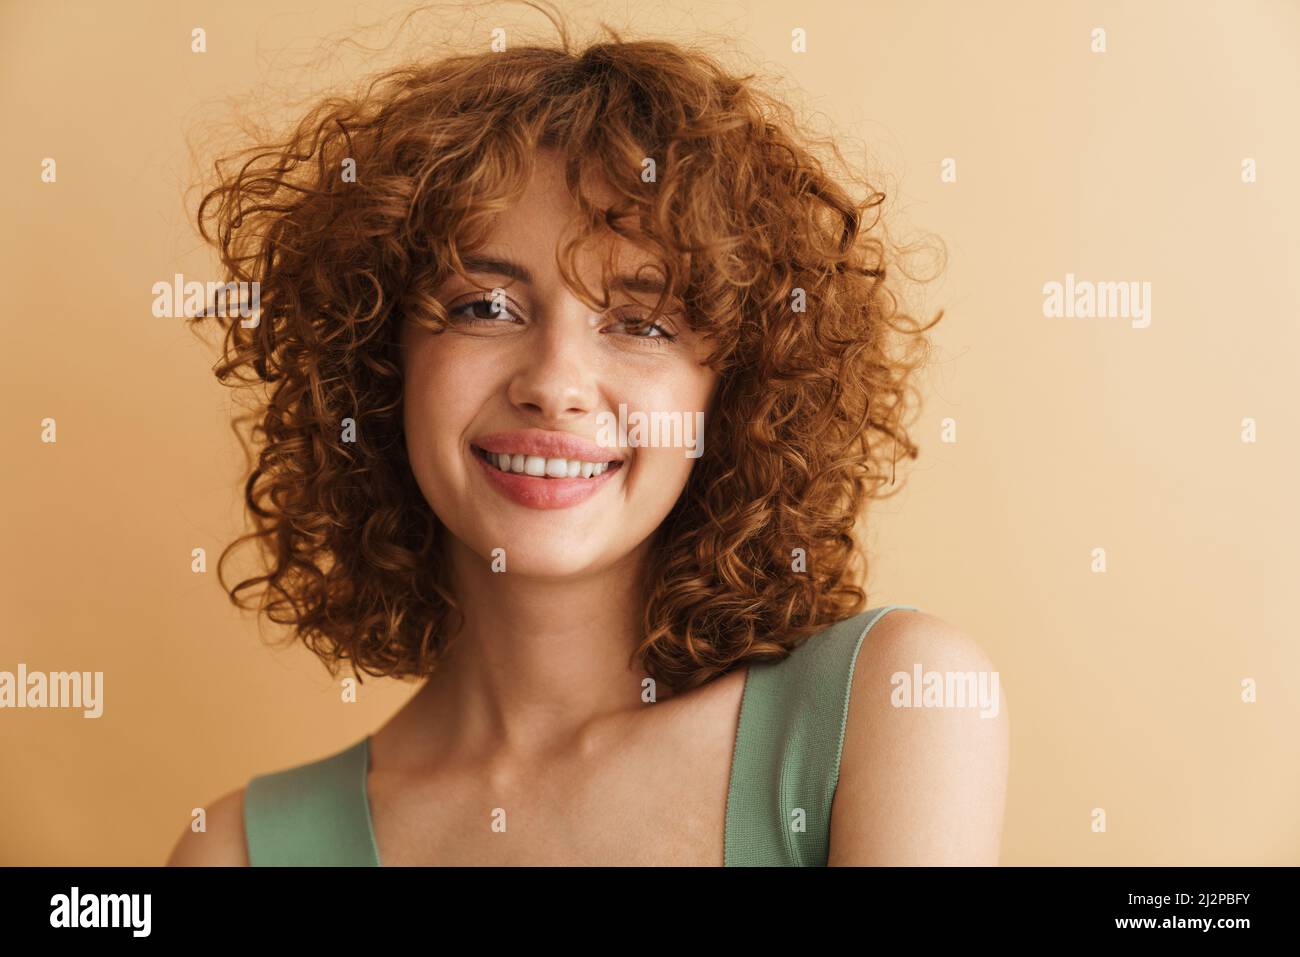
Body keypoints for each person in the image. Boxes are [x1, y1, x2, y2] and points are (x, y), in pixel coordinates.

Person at [167, 23, 1008, 867]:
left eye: (640, 321)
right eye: (483, 307)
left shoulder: (895, 704)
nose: (555, 382)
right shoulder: (239, 852)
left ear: (737, 393)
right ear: (381, 364)